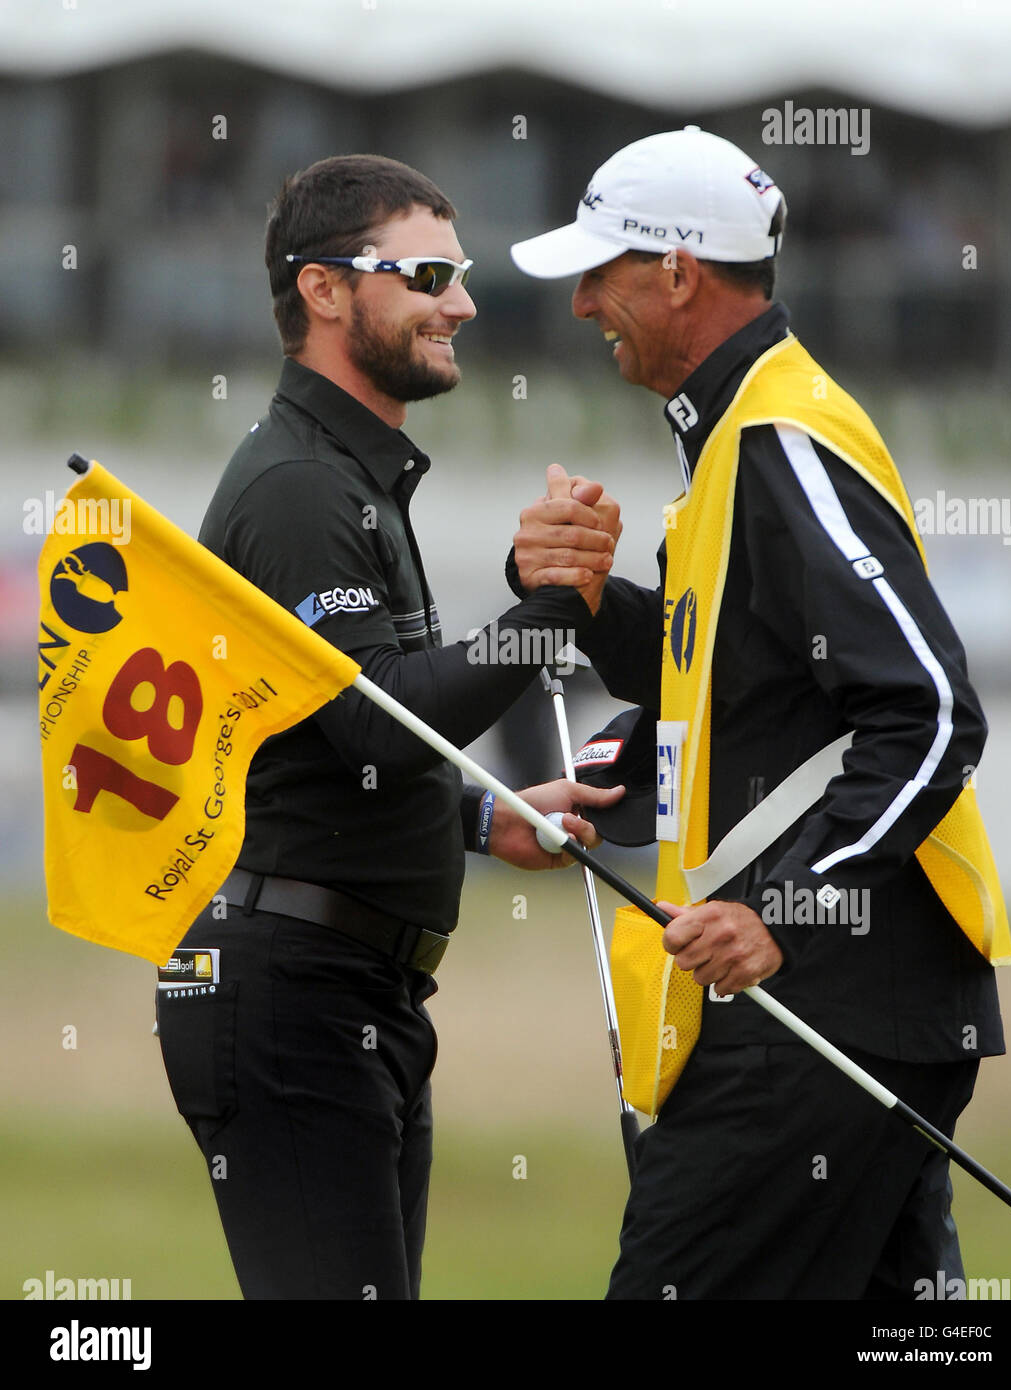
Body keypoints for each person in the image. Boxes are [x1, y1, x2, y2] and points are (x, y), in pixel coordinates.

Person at [508, 126, 1011, 1299]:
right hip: (854, 999)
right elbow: (739, 693)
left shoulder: (782, 437)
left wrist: (794, 905)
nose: (584, 305)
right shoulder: (736, 439)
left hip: (822, 999)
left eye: (603, 271)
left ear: (678, 272)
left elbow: (931, 710)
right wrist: (582, 602)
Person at [154, 153, 624, 1301]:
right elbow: (381, 726)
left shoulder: (347, 474)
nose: (459, 302)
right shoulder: (299, 489)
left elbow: (328, 732)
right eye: (425, 273)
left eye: (454, 274)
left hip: (346, 991)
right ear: (323, 291)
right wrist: (553, 606)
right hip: (291, 994)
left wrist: (477, 812)